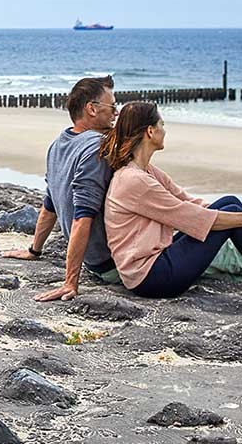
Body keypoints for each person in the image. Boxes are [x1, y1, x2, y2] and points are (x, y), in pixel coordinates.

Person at [101, 101, 242, 298]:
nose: (164, 131)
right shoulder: (134, 181)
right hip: (151, 277)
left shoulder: (147, 172)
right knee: (232, 215)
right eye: (162, 125)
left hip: (157, 262)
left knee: (230, 203)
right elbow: (189, 217)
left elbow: (188, 201)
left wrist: (232, 216)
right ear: (150, 131)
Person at [3, 75, 119, 301]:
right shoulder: (96, 147)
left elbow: (50, 204)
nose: (116, 113)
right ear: (92, 109)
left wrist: (34, 250)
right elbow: (82, 217)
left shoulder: (58, 144)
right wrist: (70, 283)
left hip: (95, 262)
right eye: (112, 106)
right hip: (113, 264)